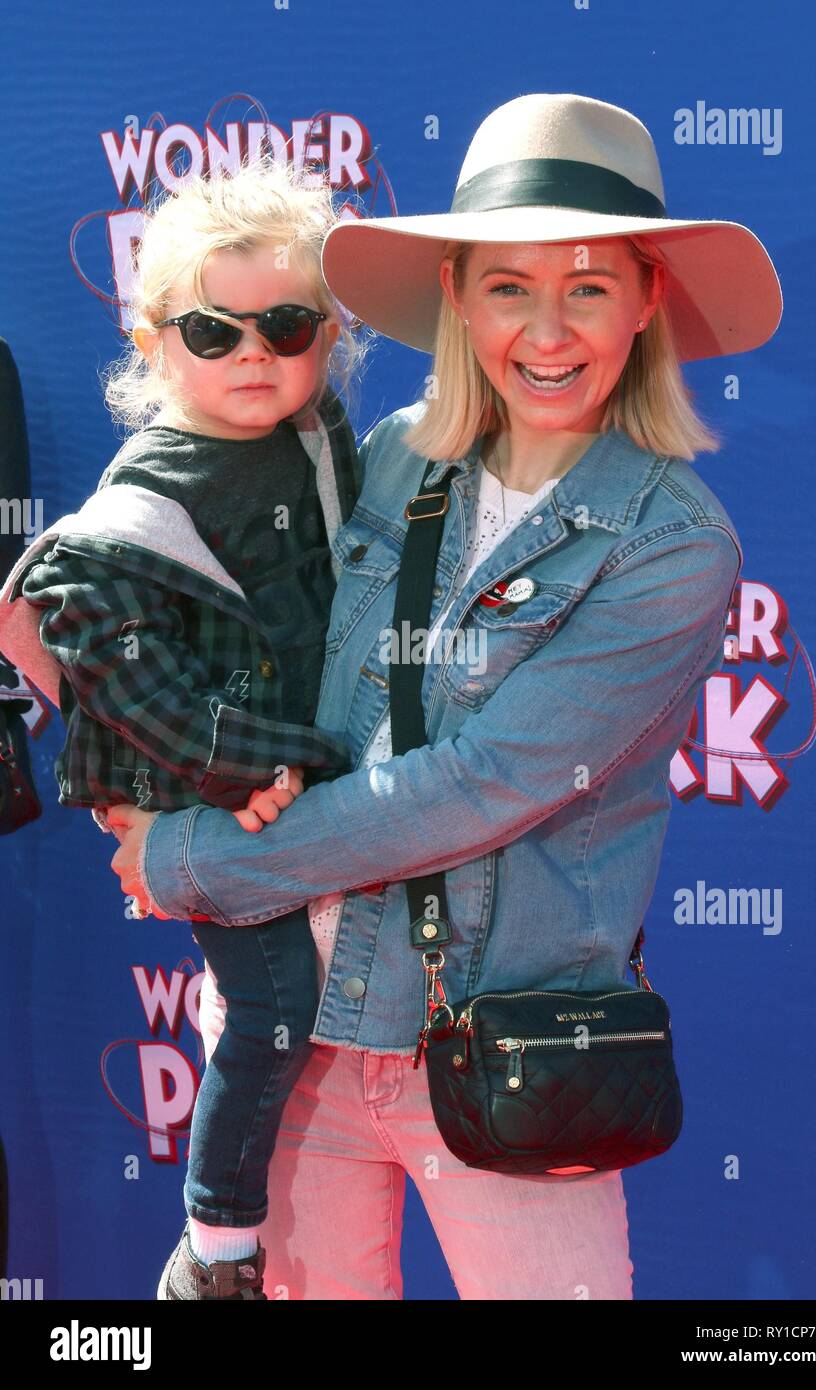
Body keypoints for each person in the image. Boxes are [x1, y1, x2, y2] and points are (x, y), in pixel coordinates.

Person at [110, 92, 782, 1301]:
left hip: (506, 1050)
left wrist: (195, 860)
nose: (546, 329)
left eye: (585, 286)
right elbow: (251, 651)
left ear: (645, 301)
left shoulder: (674, 544)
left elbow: (474, 787)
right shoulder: (399, 453)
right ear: (459, 299)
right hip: (295, 1040)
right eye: (508, 286)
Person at [0, 162, 366, 1299]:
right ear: (156, 344)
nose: (254, 352)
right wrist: (242, 766)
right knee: (267, 1012)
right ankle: (213, 1249)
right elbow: (123, 677)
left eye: (288, 323)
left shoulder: (325, 437)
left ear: (330, 335)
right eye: (213, 330)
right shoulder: (137, 500)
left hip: (304, 780)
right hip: (198, 784)